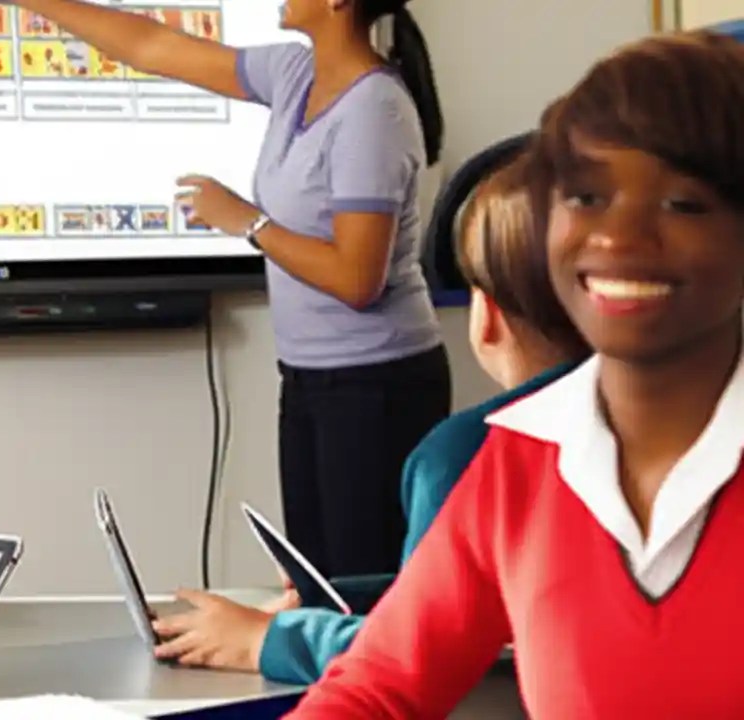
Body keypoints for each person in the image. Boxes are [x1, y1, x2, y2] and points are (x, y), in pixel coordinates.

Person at [286, 31, 744, 718]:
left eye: (682, 203)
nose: (617, 237)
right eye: (587, 196)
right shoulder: (520, 462)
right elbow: (377, 687)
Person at [0, 0, 451, 577]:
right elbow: (151, 48)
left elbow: (356, 280)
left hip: (378, 385)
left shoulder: (374, 110)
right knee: (321, 585)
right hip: (312, 378)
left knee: (364, 591)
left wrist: (247, 221)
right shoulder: (295, 74)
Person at [147, 147, 590, 679]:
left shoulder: (468, 454)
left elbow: (425, 652)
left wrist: (264, 640)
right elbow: (489, 599)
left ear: (488, 316)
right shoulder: (675, 423)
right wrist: (335, 598)